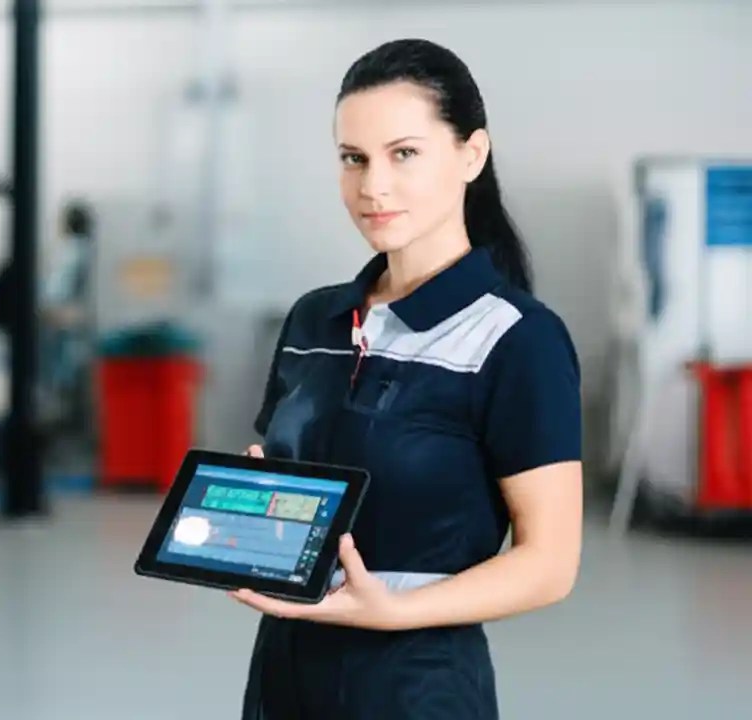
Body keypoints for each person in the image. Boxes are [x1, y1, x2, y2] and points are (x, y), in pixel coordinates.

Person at [229, 38, 583, 719]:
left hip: (416, 683)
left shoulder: (517, 339)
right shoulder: (314, 321)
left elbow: (549, 564)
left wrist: (394, 612)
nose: (373, 186)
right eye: (352, 159)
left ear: (471, 155)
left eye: (404, 154)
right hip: (284, 672)